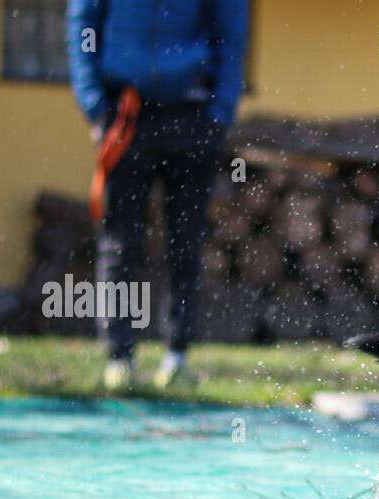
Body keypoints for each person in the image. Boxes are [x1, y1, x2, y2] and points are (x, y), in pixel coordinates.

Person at [67, 0, 249, 389]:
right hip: (125, 115)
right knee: (120, 242)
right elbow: (83, 27)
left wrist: (221, 111)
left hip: (194, 116)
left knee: (185, 244)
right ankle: (119, 358)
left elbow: (231, 35)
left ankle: (177, 357)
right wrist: (96, 106)